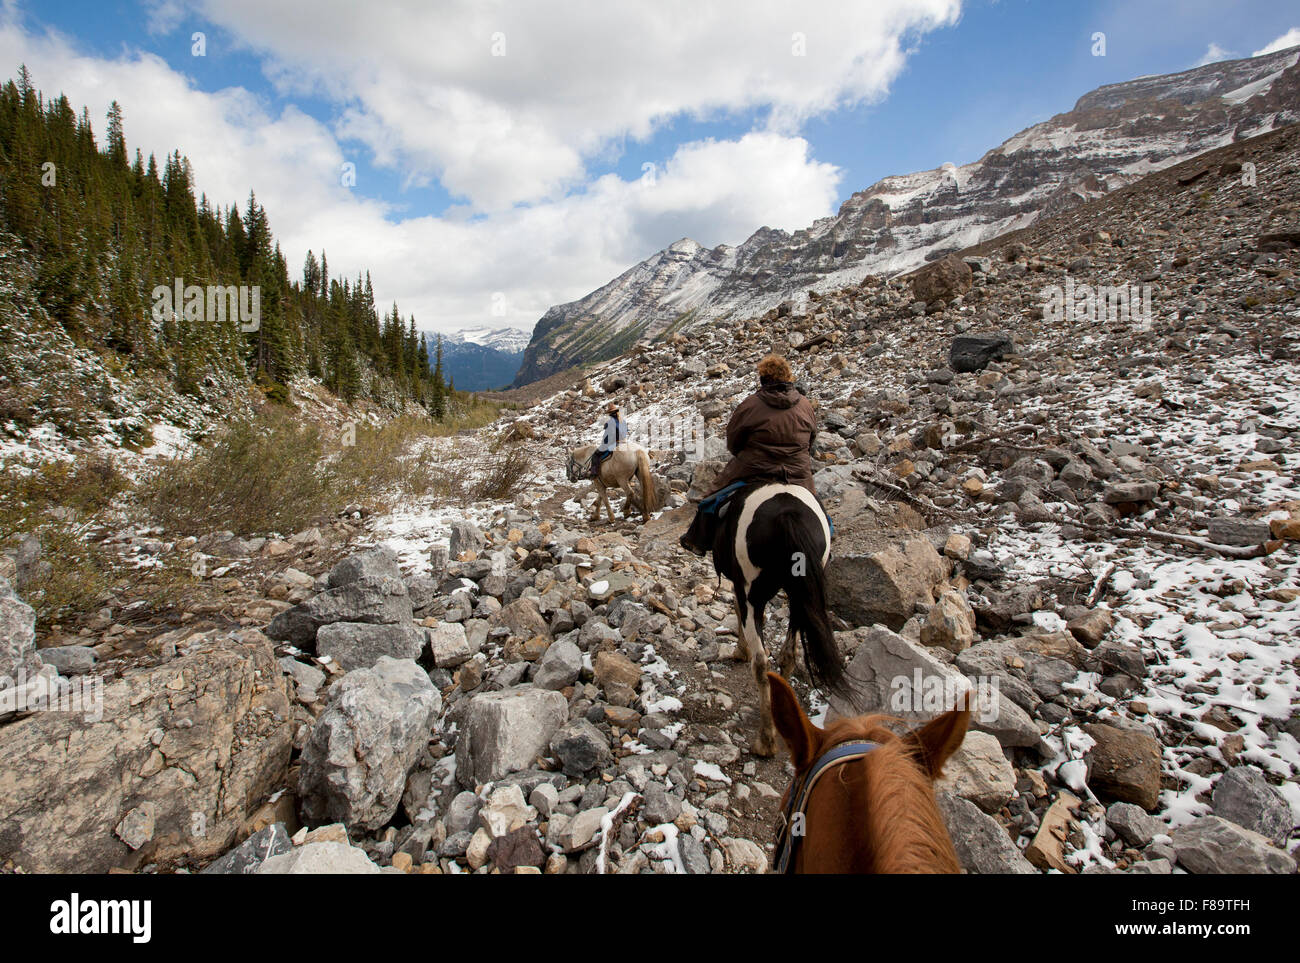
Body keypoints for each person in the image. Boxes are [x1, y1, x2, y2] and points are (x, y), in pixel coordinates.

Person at [679, 354, 818, 556]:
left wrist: (745, 455)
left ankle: (698, 541)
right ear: (788, 378)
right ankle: (826, 542)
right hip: (797, 471)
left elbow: (733, 441)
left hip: (755, 468)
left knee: (711, 499)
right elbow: (811, 439)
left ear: (763, 378)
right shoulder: (805, 405)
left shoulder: (750, 405)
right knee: (818, 509)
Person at [590, 403, 628, 478]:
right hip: (624, 443)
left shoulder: (610, 422)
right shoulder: (623, 421)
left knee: (595, 455)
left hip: (613, 444)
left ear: (610, 413)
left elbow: (609, 436)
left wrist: (604, 443)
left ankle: (594, 473)